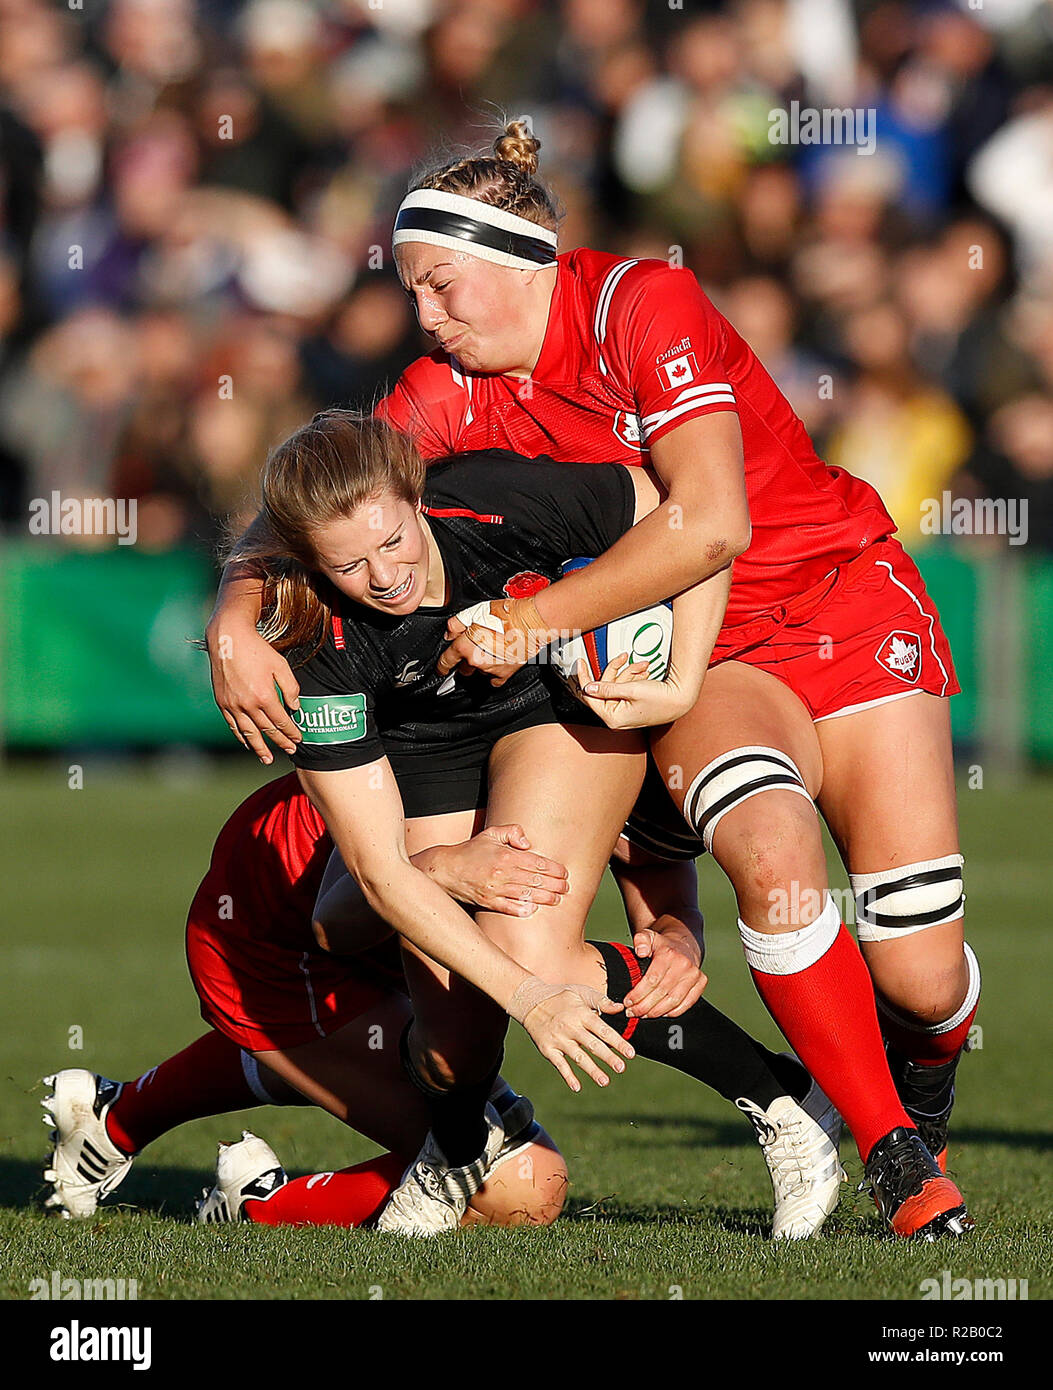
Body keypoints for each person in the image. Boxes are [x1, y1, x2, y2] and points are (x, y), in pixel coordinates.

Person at [205, 121, 976, 1240]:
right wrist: (235, 615)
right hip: (705, 650)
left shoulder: (637, 303)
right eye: (413, 290)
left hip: (838, 595)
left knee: (920, 979)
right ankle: (892, 1155)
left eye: (439, 283)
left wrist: (530, 623)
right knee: (768, 856)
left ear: (521, 255)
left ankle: (921, 1089)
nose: (424, 313)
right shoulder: (444, 391)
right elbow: (328, 498)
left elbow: (709, 524)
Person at [231, 409, 843, 1237]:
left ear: (414, 494)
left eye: (394, 540)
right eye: (347, 564)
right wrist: (526, 996)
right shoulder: (315, 649)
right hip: (422, 754)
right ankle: (453, 1152)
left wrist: (684, 676)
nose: (383, 576)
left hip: (550, 710)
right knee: (443, 1035)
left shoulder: (496, 497)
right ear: (309, 562)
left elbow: (698, 523)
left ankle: (785, 1100)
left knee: (530, 943)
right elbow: (378, 875)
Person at [41, 772, 569, 1231]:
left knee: (422, 1066)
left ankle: (117, 1116)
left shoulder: (588, 730)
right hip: (281, 930)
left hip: (340, 900)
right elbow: (348, 906)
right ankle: (256, 1204)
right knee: (518, 1185)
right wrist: (434, 870)